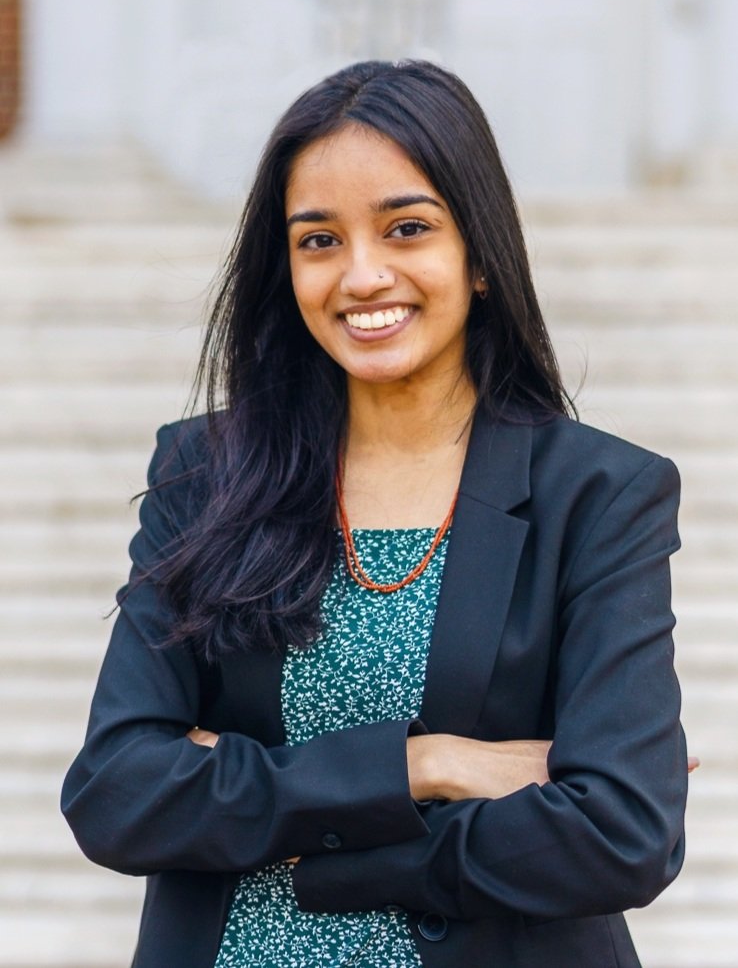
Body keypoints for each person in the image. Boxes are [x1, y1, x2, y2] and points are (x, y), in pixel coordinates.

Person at [62, 59, 689, 968]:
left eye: (407, 228)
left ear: (479, 256)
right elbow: (120, 791)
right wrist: (428, 765)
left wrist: (314, 844)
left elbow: (622, 832)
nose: (362, 275)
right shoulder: (207, 474)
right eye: (318, 240)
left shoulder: (597, 494)